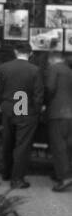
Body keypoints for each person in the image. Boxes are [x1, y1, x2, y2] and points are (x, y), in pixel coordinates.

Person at [0, 45, 43, 189]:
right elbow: (38, 95)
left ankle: (6, 173)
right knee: (22, 145)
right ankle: (17, 179)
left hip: (8, 109)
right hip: (25, 110)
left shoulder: (4, 68)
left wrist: (3, 105)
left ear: (15, 51)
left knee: (7, 142)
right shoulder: (35, 70)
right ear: (31, 53)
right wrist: (37, 111)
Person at [46, 50, 72, 191]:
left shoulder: (54, 68)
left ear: (52, 59)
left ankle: (64, 177)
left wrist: (44, 103)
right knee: (68, 146)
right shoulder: (69, 70)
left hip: (57, 113)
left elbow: (50, 88)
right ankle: (65, 173)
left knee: (58, 146)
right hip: (69, 114)